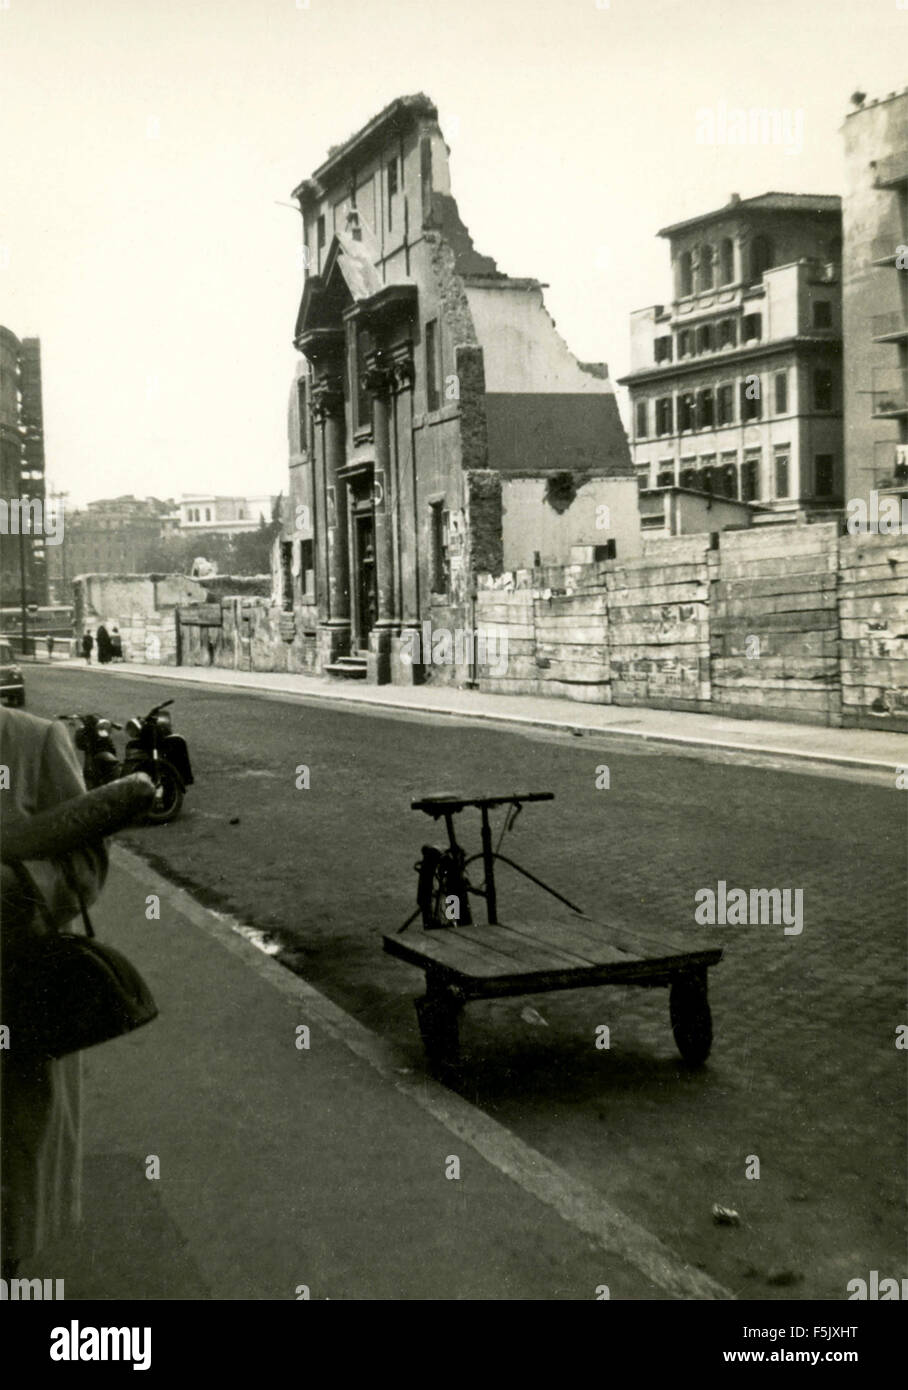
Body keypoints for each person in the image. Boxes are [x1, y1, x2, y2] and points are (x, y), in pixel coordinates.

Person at [0, 709, 109, 1279]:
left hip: (12, 998)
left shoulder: (33, 740)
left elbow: (87, 862)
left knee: (9, 1180)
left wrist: (19, 888)